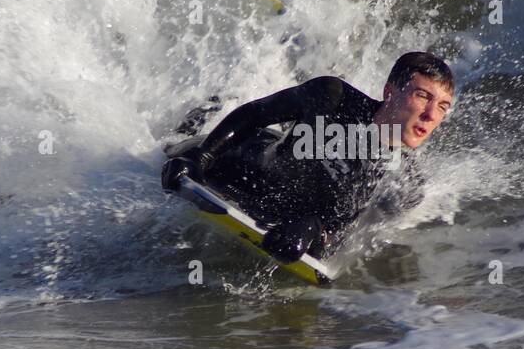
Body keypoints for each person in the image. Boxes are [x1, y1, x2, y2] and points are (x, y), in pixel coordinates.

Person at [162, 51, 455, 262]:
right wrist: (201, 158)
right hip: (245, 168)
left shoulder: (403, 181)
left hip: (288, 215)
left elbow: (355, 232)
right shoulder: (333, 97)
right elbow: (254, 115)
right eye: (423, 96)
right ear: (390, 92)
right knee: (172, 150)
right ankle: (196, 116)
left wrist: (314, 230)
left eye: (442, 106)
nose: (431, 115)